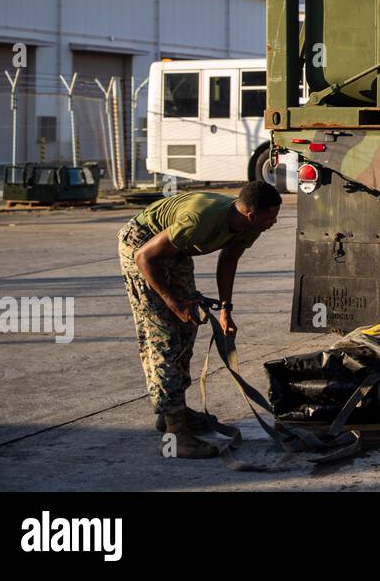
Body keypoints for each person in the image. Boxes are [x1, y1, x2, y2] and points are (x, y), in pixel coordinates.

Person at [117, 180, 283, 459]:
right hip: (142, 245)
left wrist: (225, 310)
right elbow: (144, 257)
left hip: (175, 250)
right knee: (163, 336)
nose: (273, 223)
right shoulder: (200, 220)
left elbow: (229, 260)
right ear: (252, 214)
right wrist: (173, 302)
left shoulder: (249, 226)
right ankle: (175, 435)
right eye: (271, 217)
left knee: (187, 328)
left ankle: (173, 412)